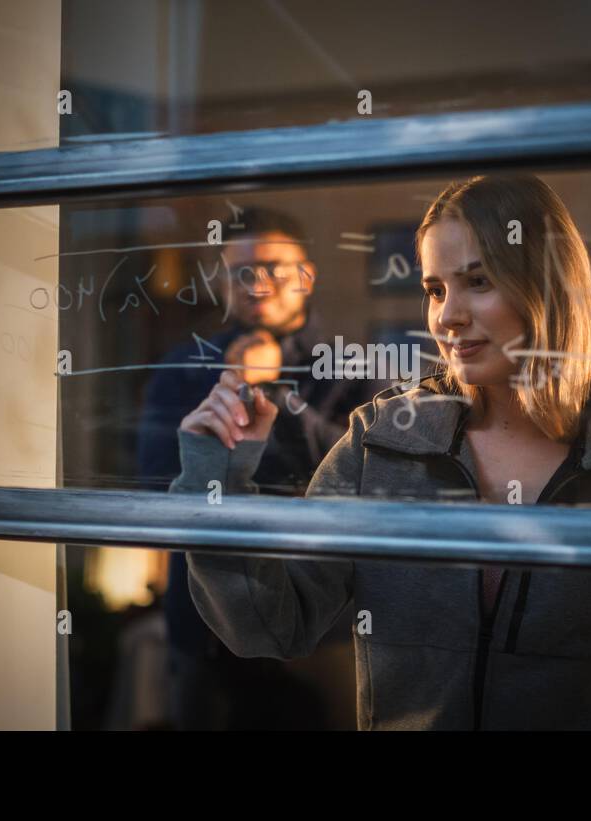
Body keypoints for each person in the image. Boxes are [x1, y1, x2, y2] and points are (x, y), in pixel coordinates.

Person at [169, 175, 591, 730]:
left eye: (478, 281)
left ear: (547, 286)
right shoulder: (380, 442)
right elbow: (273, 627)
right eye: (436, 290)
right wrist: (218, 480)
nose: (447, 317)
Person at [135, 207, 377, 729]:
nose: (257, 284)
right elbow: (152, 486)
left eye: (273, 268)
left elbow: (360, 478)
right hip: (203, 620)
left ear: (306, 275)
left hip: (325, 619)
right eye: (240, 272)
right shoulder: (182, 369)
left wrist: (274, 393)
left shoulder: (355, 368)